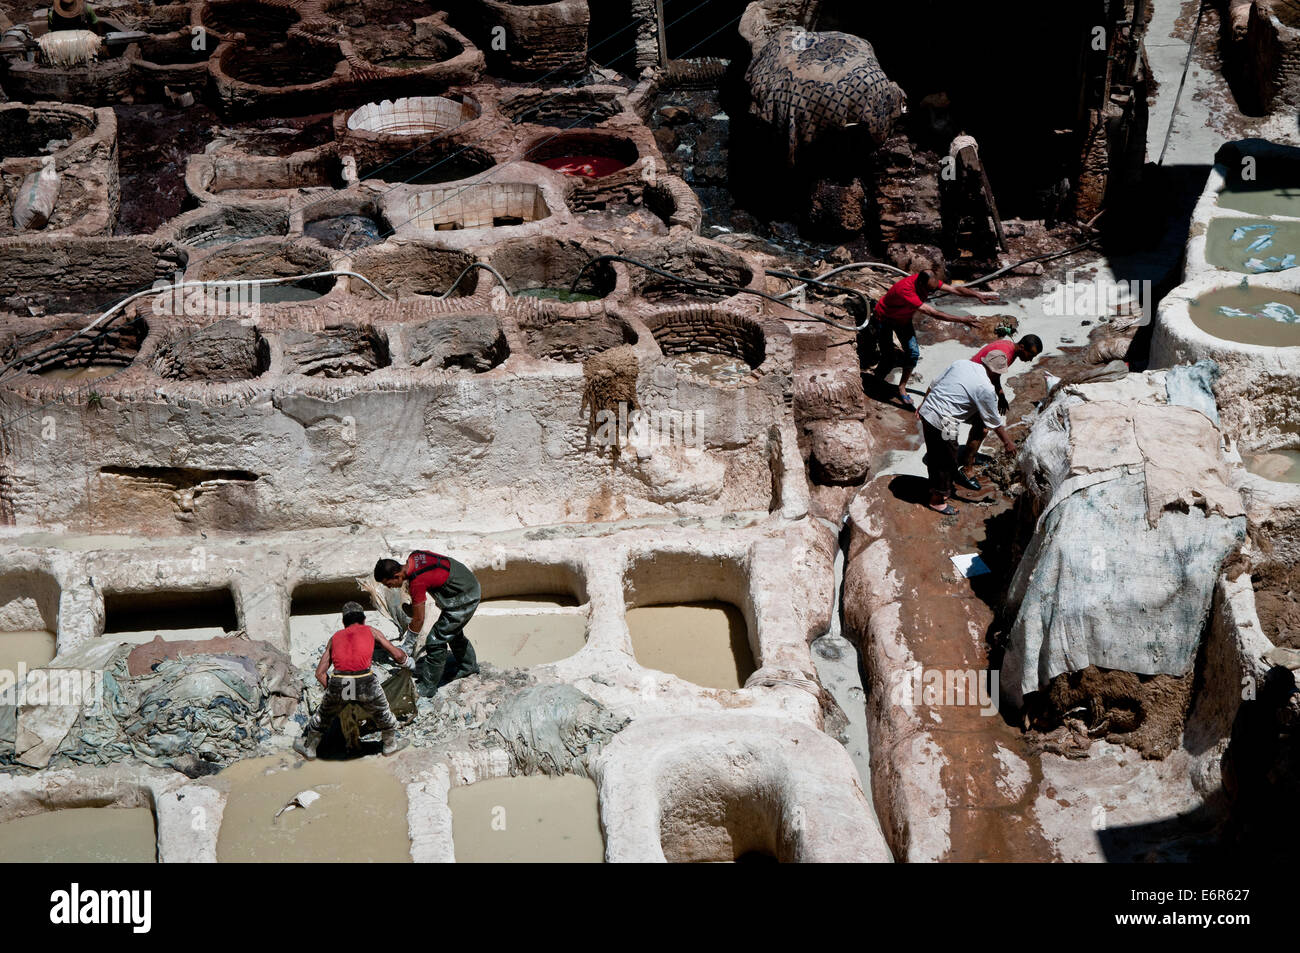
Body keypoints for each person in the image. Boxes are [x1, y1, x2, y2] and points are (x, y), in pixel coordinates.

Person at [869, 270, 1001, 411]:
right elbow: (933, 313)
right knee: (888, 355)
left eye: (933, 290)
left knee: (913, 353)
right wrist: (962, 320)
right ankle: (875, 384)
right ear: (920, 283)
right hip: (884, 318)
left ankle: (901, 387)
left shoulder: (929, 281)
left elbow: (954, 289)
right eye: (929, 291)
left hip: (903, 319)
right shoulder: (906, 290)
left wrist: (977, 294)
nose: (931, 293)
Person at [296, 602, 413, 759]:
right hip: (365, 680)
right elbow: (397, 655)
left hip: (341, 681)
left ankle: (310, 749)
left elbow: (319, 673)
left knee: (322, 718)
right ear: (364, 620)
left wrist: (335, 693)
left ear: (344, 622)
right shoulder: (371, 631)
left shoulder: (335, 637)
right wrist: (407, 662)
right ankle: (390, 746)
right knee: (384, 714)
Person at [917, 350, 1018, 515]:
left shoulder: (962, 363)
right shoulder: (985, 388)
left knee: (937, 452)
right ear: (995, 371)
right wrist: (1007, 442)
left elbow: (934, 383)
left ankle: (935, 485)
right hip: (945, 420)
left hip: (929, 410)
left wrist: (923, 404)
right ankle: (938, 500)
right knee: (947, 459)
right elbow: (994, 421)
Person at [374, 551, 480, 696]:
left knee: (435, 641)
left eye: (389, 584)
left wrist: (407, 646)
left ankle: (428, 687)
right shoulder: (414, 556)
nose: (390, 587)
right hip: (465, 582)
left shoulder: (417, 582)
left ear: (397, 576)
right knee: (451, 632)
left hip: (464, 597)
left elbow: (419, 619)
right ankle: (469, 666)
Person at [956, 334, 1043, 483]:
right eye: (1031, 355)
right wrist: (1007, 442)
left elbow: (994, 375)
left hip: (971, 381)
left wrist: (1001, 395)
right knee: (983, 427)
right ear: (1022, 347)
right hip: (970, 387)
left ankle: (969, 455)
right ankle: (966, 468)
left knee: (982, 424)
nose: (1031, 360)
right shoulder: (1005, 354)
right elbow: (993, 418)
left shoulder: (1008, 347)